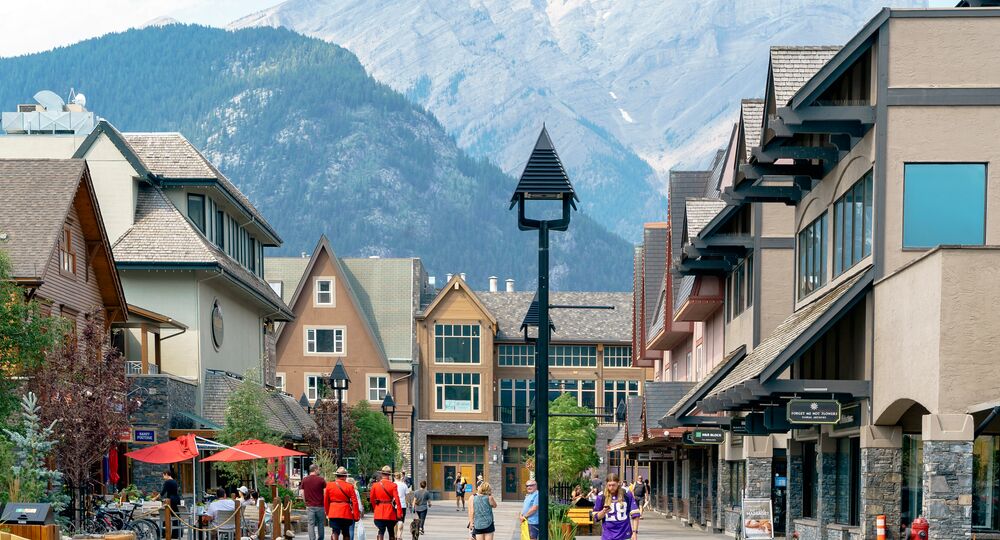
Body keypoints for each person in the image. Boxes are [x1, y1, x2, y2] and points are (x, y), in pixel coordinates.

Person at [592, 473, 640, 540]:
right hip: (607, 536)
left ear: (618, 483)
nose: (611, 487)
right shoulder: (601, 496)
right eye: (609, 485)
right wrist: (603, 512)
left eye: (613, 485)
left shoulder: (626, 494)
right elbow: (596, 518)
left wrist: (634, 532)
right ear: (606, 484)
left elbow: (635, 515)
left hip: (624, 535)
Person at [324, 467, 361, 540]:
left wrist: (328, 513)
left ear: (336, 476)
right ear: (345, 476)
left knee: (335, 531)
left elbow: (326, 501)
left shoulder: (329, 485)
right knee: (346, 532)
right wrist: (356, 516)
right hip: (346, 513)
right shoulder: (350, 486)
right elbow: (355, 502)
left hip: (333, 512)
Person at [369, 465, 402, 540]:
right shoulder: (393, 485)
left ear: (381, 474)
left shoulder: (375, 485)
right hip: (390, 511)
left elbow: (372, 499)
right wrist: (399, 512)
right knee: (391, 531)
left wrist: (375, 507)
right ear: (389, 475)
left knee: (381, 530)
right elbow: (397, 500)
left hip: (379, 511)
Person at [301, 464, 328, 540]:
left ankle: (312, 539)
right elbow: (325, 492)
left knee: (311, 524)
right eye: (318, 469)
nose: (319, 471)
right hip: (320, 506)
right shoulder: (321, 480)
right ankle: (320, 538)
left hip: (310, 506)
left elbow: (302, 492)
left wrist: (305, 501)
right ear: (315, 470)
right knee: (320, 524)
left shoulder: (304, 480)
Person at [393, 472, 410, 539]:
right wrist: (408, 502)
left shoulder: (393, 484)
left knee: (394, 521)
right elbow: (407, 495)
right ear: (401, 477)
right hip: (402, 505)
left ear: (394, 477)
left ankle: (394, 535)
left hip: (394, 505)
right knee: (401, 520)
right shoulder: (404, 485)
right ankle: (399, 535)